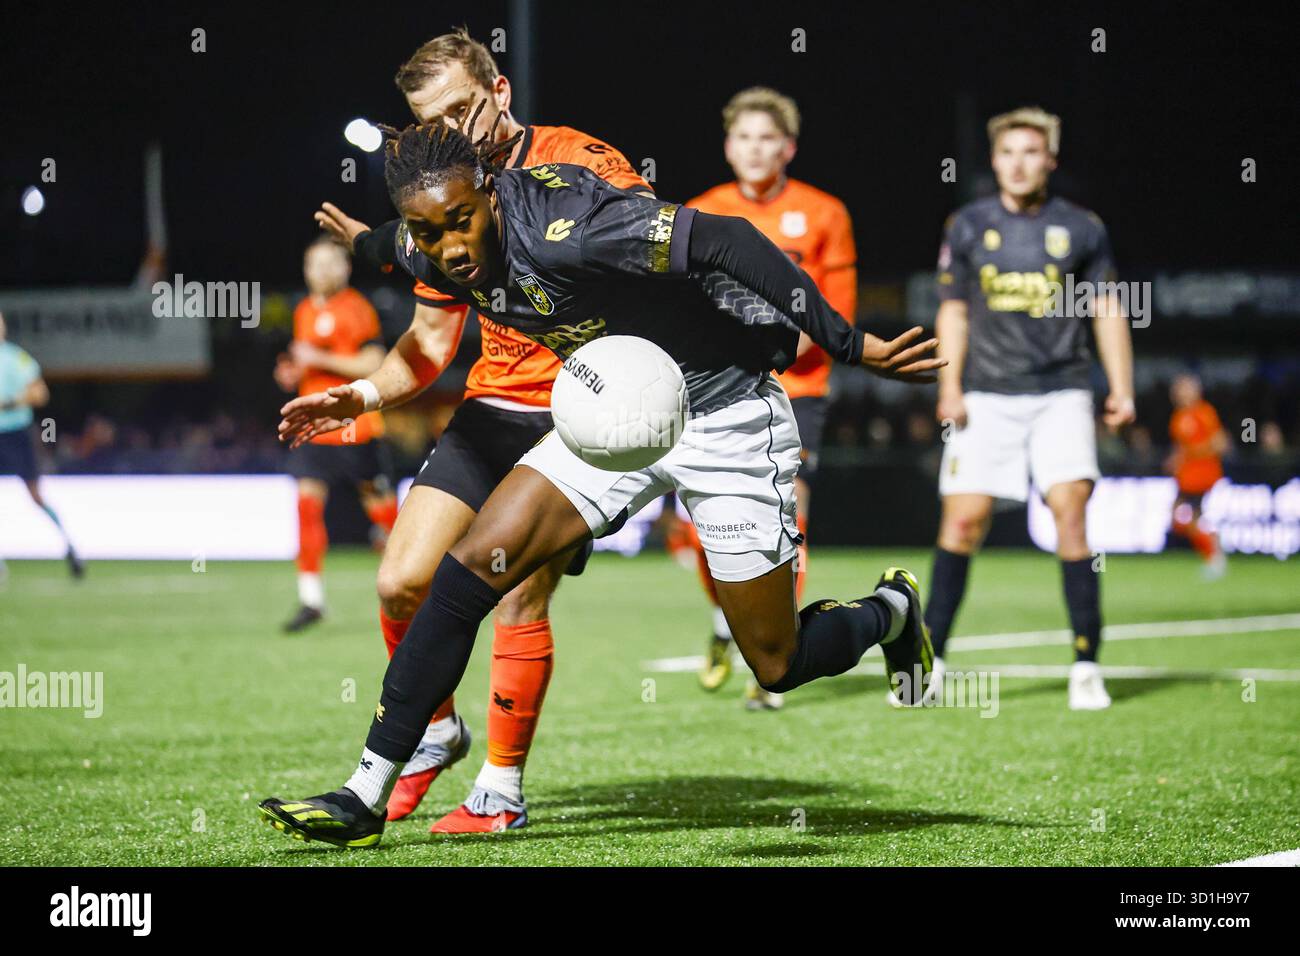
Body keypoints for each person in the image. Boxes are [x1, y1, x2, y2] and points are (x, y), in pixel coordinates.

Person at [258, 108, 944, 847]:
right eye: (429, 232)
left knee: (777, 662)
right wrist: (365, 241)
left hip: (723, 412)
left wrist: (847, 342)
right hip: (610, 411)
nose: (451, 247)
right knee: (463, 578)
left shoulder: (570, 223)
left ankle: (890, 612)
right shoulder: (426, 243)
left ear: (489, 190)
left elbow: (728, 238)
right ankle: (364, 794)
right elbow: (394, 245)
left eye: (462, 219)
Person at [280, 28, 653, 832]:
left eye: (461, 109)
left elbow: (655, 260)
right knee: (398, 582)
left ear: (502, 91)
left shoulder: (583, 163)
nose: (450, 131)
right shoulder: (443, 192)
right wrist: (361, 394)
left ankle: (501, 792)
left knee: (518, 590)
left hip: (579, 420)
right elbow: (426, 345)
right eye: (431, 122)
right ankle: (438, 731)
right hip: (491, 412)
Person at [922, 106, 1136, 711]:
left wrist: (1120, 386)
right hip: (986, 394)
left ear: (1051, 161)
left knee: (1071, 515)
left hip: (1061, 393)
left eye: (1031, 152)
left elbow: (1107, 308)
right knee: (963, 522)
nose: (1018, 163)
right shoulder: (967, 225)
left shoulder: (1083, 227)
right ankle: (929, 663)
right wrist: (949, 385)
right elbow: (955, 311)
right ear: (994, 161)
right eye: (1008, 152)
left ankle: (1087, 665)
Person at [685, 86, 856, 710]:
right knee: (709, 526)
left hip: (796, 387)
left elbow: (836, 313)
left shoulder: (825, 213)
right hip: (710, 388)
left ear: (788, 148)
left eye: (767, 139)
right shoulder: (702, 210)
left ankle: (772, 664)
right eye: (744, 138)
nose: (756, 149)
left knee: (787, 516)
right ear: (729, 147)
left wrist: (775, 351)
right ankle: (726, 620)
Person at [275, 238, 397, 632]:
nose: (323, 271)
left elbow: (374, 362)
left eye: (331, 263)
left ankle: (415, 583)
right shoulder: (305, 310)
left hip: (355, 429)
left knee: (384, 516)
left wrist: (317, 358)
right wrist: (293, 374)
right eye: (315, 264)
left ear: (345, 269)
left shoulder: (356, 309)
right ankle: (311, 599)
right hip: (313, 429)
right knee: (307, 507)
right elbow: (309, 366)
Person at [0, 310, 84, 580]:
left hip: (16, 433)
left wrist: (8, 403)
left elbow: (40, 393)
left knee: (36, 496)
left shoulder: (16, 358)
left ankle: (69, 545)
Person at [1166, 373, 1228, 578]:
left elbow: (1220, 443)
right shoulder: (1178, 417)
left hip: (1203, 477)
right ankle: (1213, 552)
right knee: (1180, 518)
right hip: (1186, 478)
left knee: (1189, 518)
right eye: (1177, 389)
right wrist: (1175, 460)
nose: (1179, 393)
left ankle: (1214, 556)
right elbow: (1180, 448)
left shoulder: (1204, 412)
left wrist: (1192, 453)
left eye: (1184, 388)